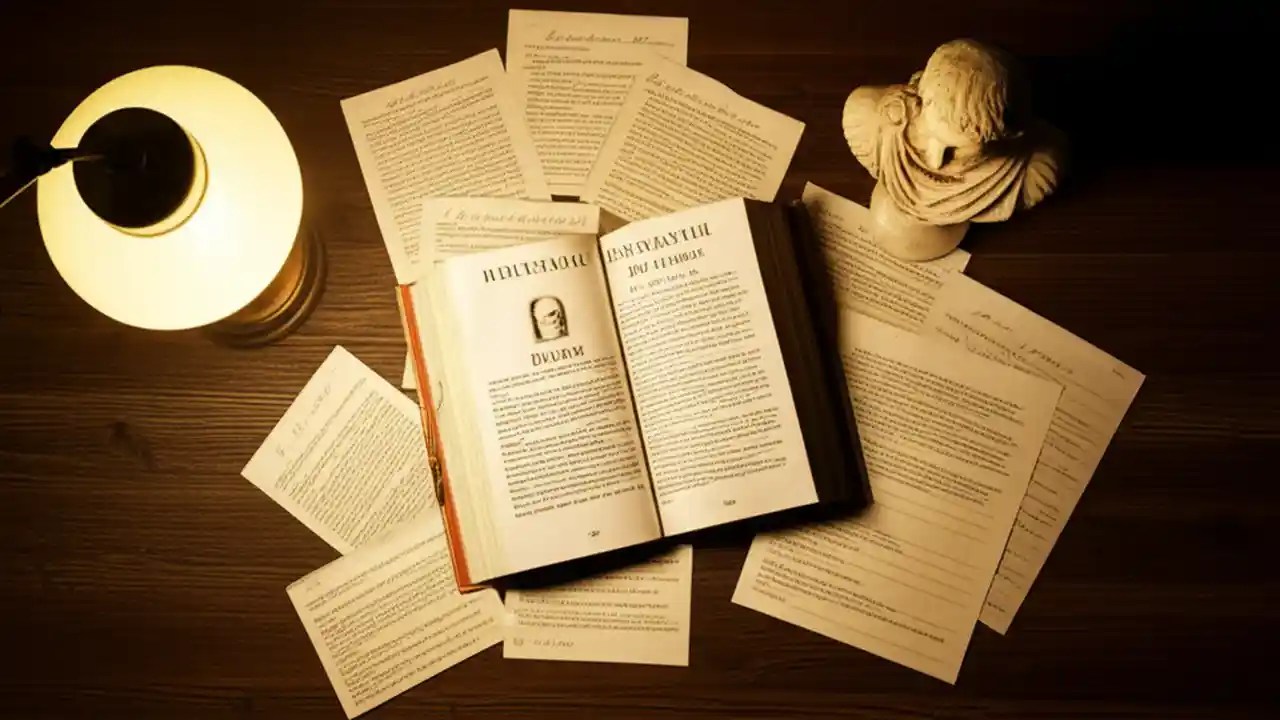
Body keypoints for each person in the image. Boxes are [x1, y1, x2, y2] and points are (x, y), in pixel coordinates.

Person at [843, 38, 1065, 226]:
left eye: (958, 150)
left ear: (1011, 137)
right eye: (926, 133)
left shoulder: (1036, 172)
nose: (936, 161)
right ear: (917, 88)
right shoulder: (866, 119)